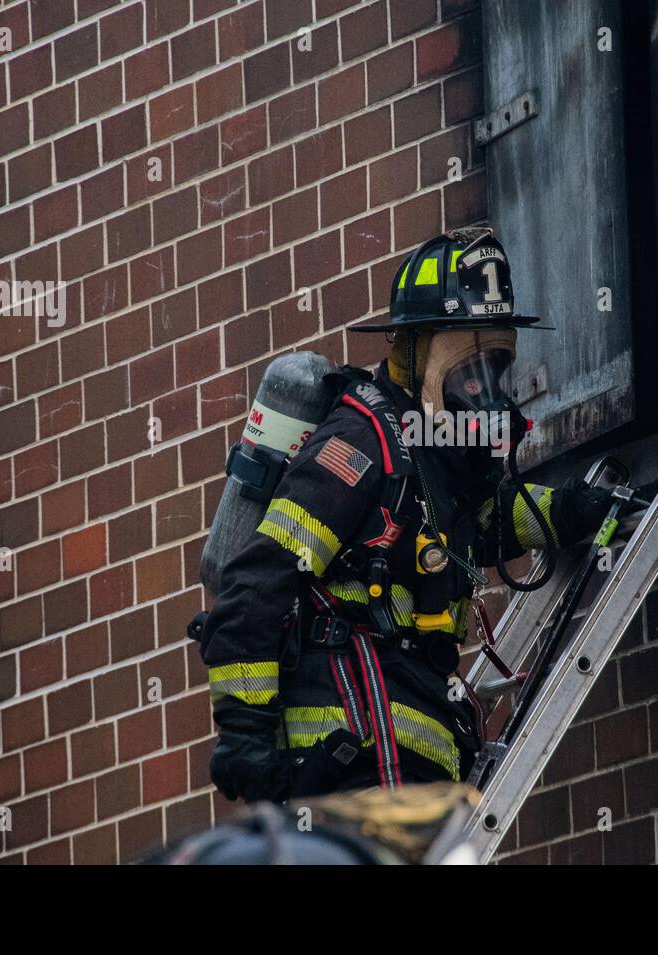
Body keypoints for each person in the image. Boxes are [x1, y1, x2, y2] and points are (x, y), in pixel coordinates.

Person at [198, 228, 612, 803]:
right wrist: (244, 731)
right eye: (470, 369)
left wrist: (571, 509)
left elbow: (486, 522)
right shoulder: (364, 440)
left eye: (495, 367)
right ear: (414, 351)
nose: (484, 390)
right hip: (349, 753)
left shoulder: (438, 456)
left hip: (415, 750)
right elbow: (260, 578)